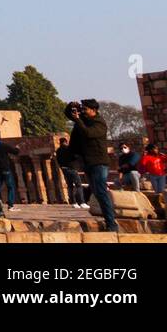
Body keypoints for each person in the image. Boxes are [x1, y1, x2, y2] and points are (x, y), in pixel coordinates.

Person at [69, 99, 117, 232]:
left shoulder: (99, 123)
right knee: (97, 192)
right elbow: (68, 114)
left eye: (85, 109)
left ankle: (111, 223)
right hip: (88, 162)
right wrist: (72, 106)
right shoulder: (84, 120)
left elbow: (88, 133)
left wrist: (78, 120)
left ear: (94, 110)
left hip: (99, 162)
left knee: (101, 192)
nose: (83, 111)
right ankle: (109, 219)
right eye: (82, 109)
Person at [55, 133, 88, 208]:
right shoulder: (68, 149)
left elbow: (58, 160)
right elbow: (75, 157)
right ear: (66, 142)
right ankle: (82, 202)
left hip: (64, 169)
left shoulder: (58, 151)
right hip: (71, 168)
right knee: (78, 185)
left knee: (70, 186)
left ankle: (73, 202)